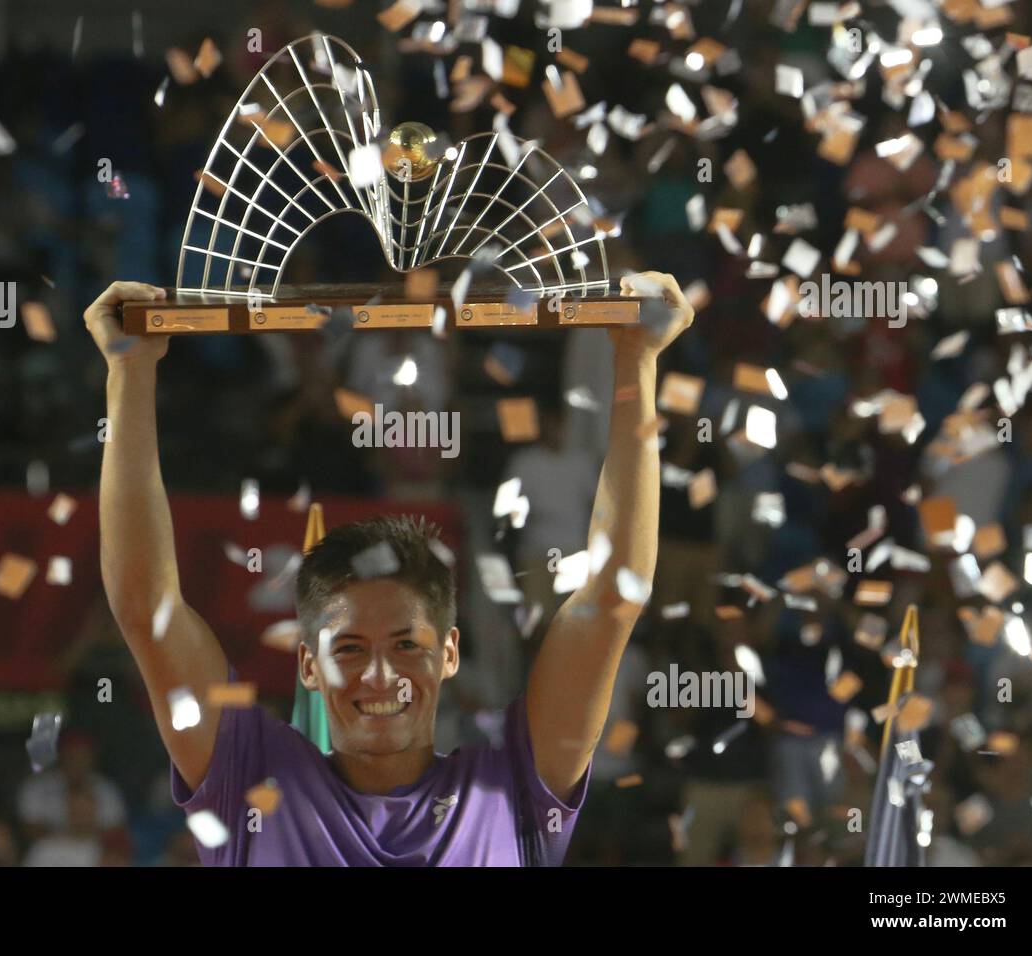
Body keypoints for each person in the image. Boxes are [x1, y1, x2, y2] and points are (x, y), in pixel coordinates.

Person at [84, 276, 694, 866]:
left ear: (450, 651)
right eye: (348, 648)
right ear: (307, 666)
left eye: (406, 643)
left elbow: (612, 599)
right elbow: (145, 605)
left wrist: (636, 359)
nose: (380, 675)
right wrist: (130, 374)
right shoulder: (249, 776)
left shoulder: (515, 784)